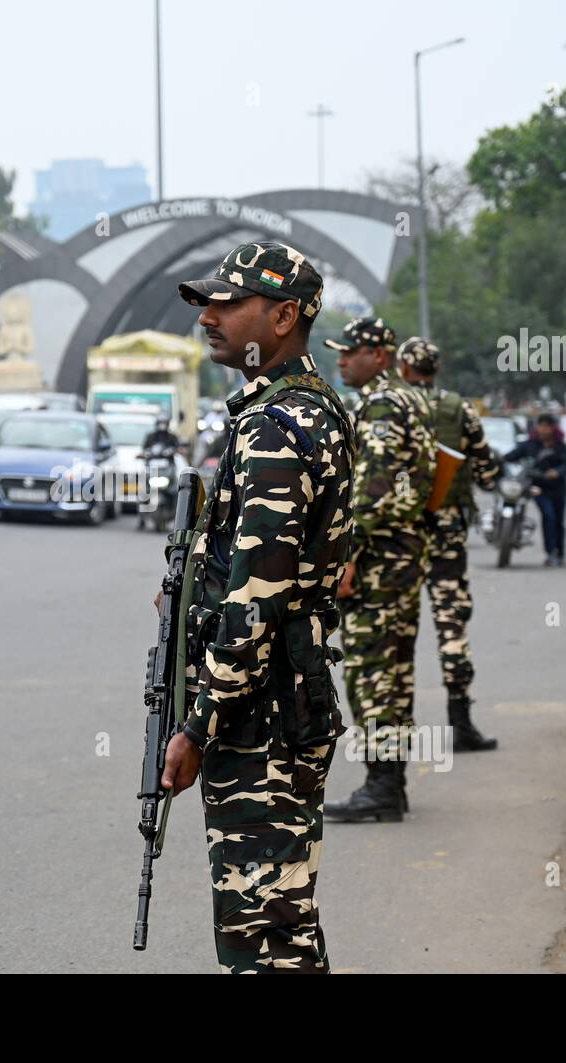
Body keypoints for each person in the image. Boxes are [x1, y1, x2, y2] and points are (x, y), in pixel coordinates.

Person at [160, 241, 354, 972]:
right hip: (279, 706)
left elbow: (254, 609)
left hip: (262, 719)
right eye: (205, 303)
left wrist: (197, 726)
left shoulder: (275, 426)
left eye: (226, 303)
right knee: (282, 923)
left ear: (281, 316)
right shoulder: (302, 409)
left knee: (264, 940)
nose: (208, 316)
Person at [323, 318, 436, 823]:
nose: (342, 360)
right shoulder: (406, 397)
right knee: (394, 671)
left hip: (380, 558)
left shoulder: (385, 404)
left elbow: (373, 488)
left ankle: (382, 786)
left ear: (381, 356)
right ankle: (389, 784)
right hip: (401, 555)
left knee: (372, 673)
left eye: (351, 352)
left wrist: (348, 555)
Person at [397, 337, 500, 752]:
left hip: (400, 533)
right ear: (435, 369)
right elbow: (488, 472)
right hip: (448, 533)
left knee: (398, 627)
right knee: (451, 623)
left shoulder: (394, 406)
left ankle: (394, 728)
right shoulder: (460, 410)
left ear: (404, 368)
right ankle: (460, 720)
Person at [504, 413, 566, 566]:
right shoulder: (530, 444)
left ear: (553, 428)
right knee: (548, 517)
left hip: (558, 489)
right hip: (539, 489)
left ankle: (560, 553)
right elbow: (510, 456)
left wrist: (557, 472)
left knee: (559, 521)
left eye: (547, 426)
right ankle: (550, 552)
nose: (544, 429)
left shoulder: (560, 446)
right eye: (541, 426)